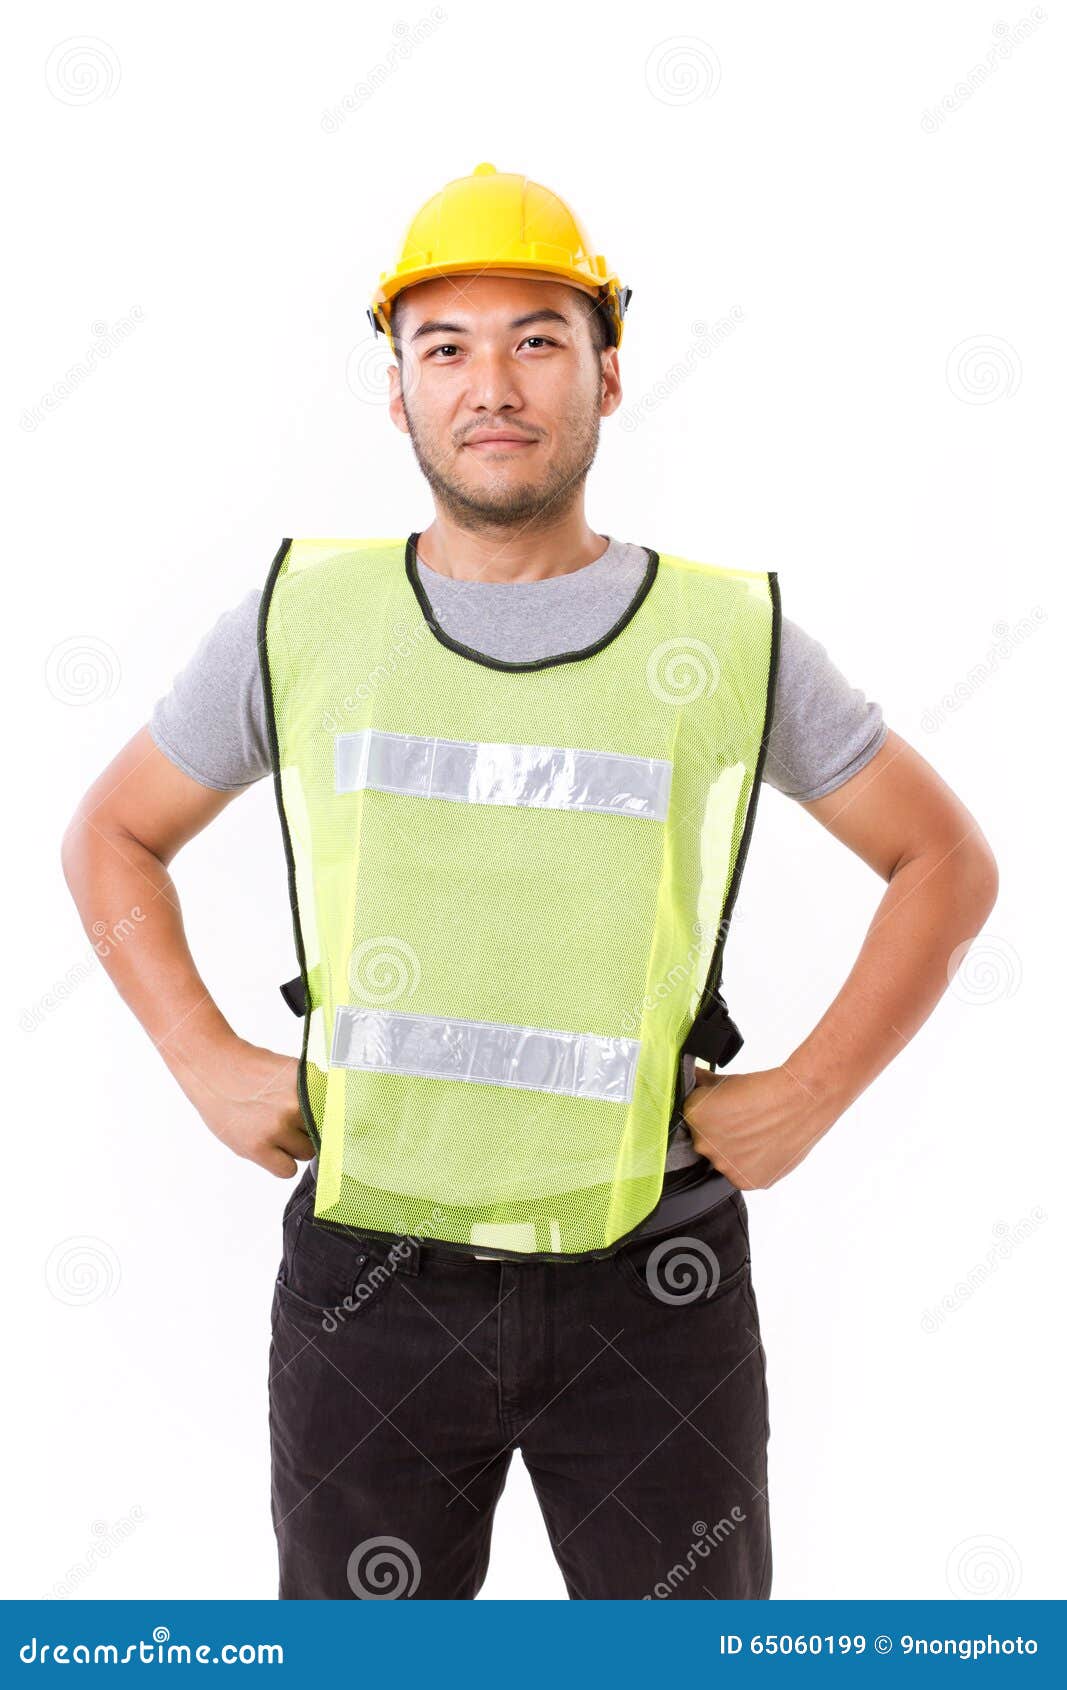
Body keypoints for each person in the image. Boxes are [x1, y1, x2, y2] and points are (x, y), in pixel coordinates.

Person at [61, 164, 998, 1601]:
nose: (491, 382)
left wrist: (809, 1095)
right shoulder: (301, 616)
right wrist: (198, 1056)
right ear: (398, 393)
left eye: (537, 339)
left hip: (654, 1285)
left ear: (607, 376)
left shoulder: (723, 633)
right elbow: (110, 833)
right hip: (368, 1285)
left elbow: (945, 859)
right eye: (446, 347)